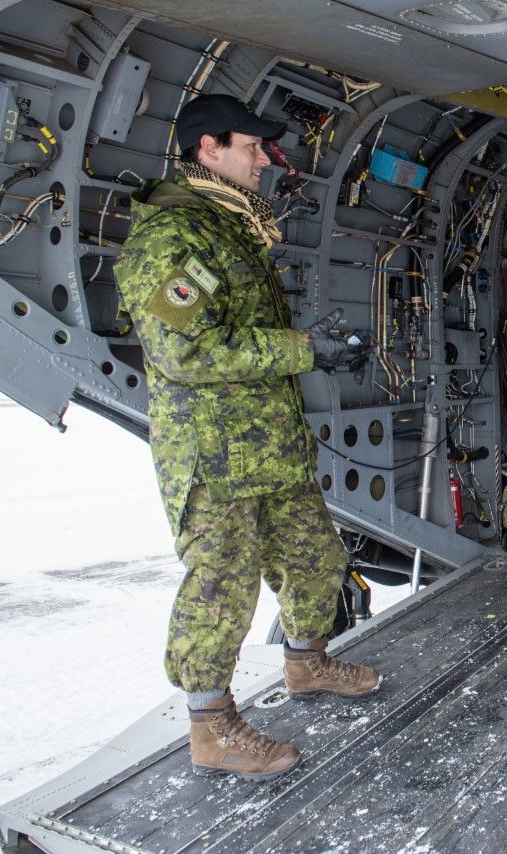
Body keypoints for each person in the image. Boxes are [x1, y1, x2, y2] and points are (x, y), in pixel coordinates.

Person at [115, 94, 380, 782]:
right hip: (215, 454)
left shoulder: (227, 228)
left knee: (316, 559)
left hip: (267, 445)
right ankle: (211, 726)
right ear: (209, 149)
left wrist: (309, 344)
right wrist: (303, 350)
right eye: (252, 147)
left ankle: (307, 663)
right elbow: (184, 352)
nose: (266, 160)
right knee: (222, 587)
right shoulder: (178, 238)